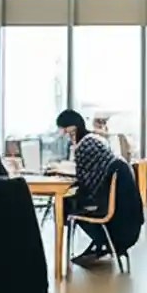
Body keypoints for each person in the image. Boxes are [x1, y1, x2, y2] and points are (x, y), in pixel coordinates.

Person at [55, 109, 120, 265]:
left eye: (63, 128)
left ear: (71, 127)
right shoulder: (92, 140)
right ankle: (100, 242)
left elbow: (85, 180)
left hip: (99, 198)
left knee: (65, 204)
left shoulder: (85, 145)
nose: (63, 133)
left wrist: (62, 172)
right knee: (68, 201)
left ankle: (101, 241)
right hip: (105, 194)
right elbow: (87, 171)